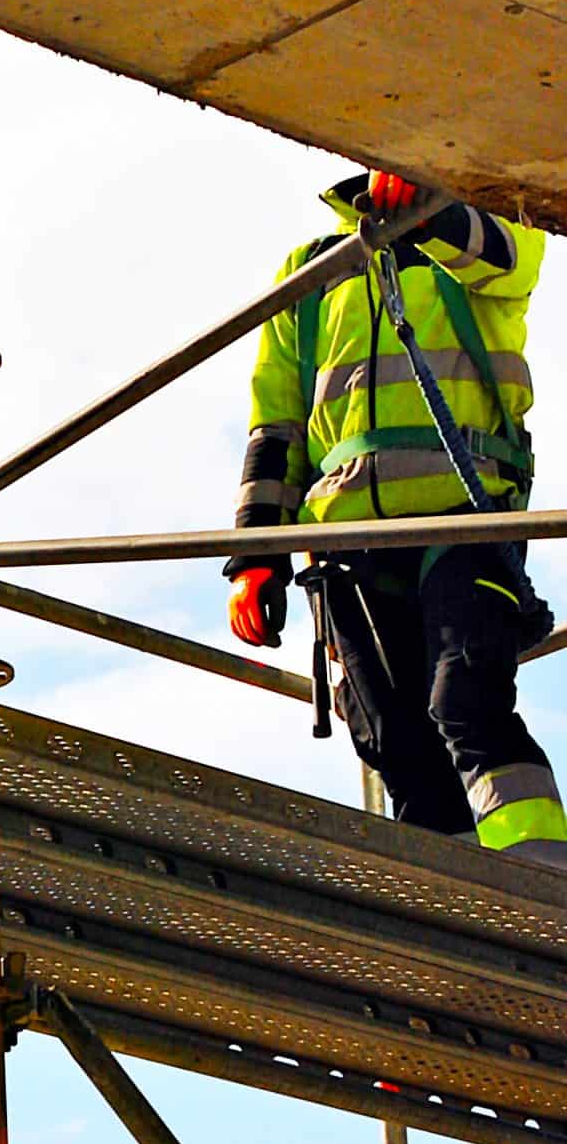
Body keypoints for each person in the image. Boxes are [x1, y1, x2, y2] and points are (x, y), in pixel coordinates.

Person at [226, 170, 567, 868]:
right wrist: (258, 556)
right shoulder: (314, 271)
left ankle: (544, 877)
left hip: (465, 518)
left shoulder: (491, 231)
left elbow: (506, 254)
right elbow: (278, 425)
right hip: (346, 538)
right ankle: (450, 900)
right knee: (392, 736)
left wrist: (426, 209)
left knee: (465, 697)